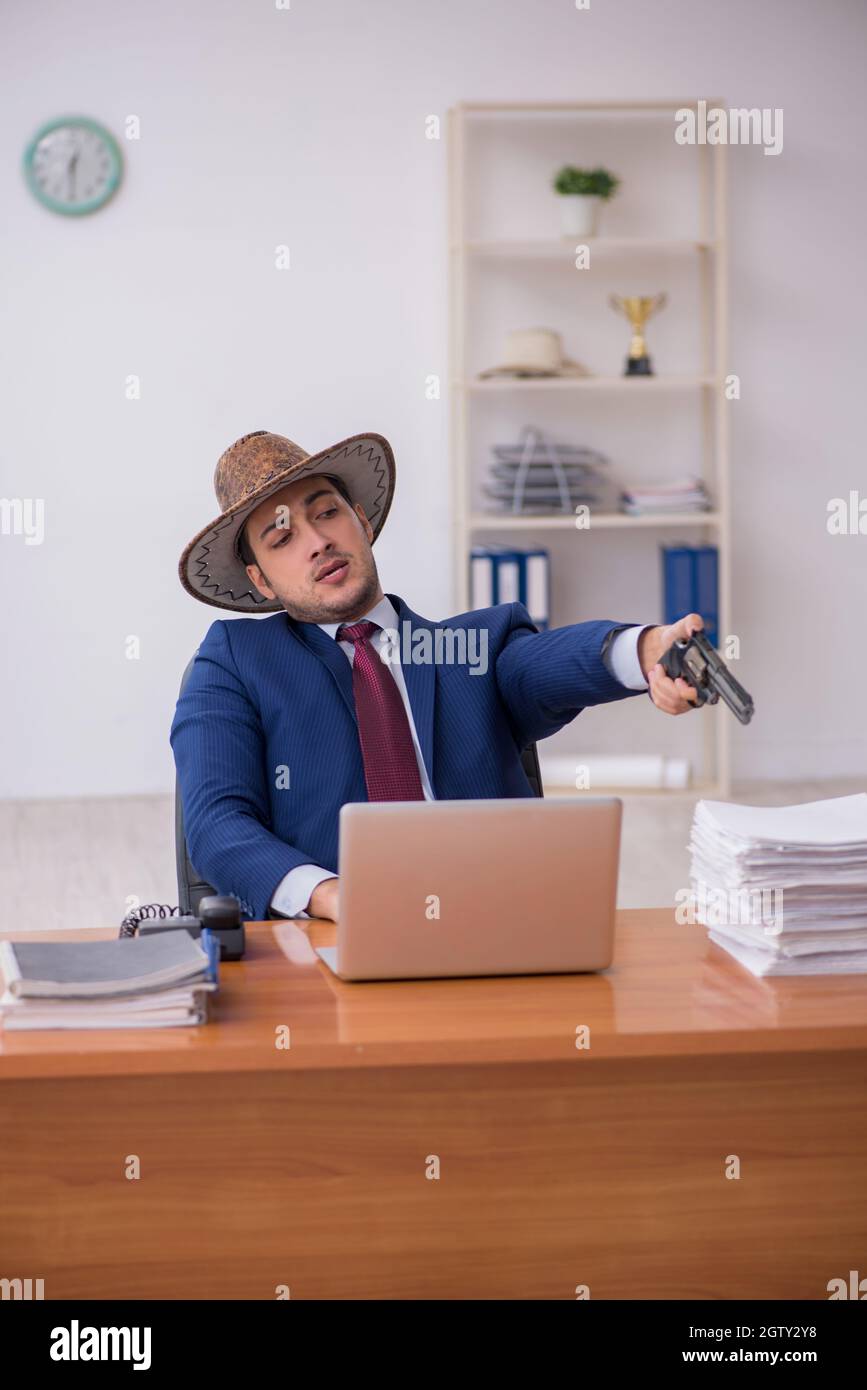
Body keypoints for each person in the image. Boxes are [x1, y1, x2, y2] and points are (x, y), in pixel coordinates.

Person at [171, 429, 702, 923]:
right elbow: (217, 823)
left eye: (327, 513)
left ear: (362, 520)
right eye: (281, 539)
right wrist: (333, 897)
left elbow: (547, 664)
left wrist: (645, 648)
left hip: (497, 921)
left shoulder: (474, 645)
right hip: (334, 933)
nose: (317, 542)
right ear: (260, 581)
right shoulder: (235, 660)